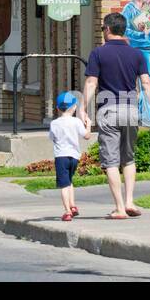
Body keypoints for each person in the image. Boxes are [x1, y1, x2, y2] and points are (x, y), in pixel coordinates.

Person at [84, 13, 150, 220]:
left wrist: (82, 108)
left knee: (110, 161)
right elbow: (146, 84)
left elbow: (91, 83)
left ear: (107, 29)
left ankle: (119, 208)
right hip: (131, 111)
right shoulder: (137, 55)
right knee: (128, 158)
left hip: (109, 111)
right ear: (124, 30)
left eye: (102, 29)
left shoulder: (98, 53)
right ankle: (129, 202)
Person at [121, 0, 150, 126]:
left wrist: (149, 10)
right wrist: (141, 34)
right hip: (142, 49)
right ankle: (146, 117)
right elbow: (124, 30)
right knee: (146, 83)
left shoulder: (145, 7)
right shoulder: (129, 8)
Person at [49, 91, 91, 223]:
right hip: (74, 157)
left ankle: (67, 211)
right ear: (74, 107)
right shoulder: (76, 122)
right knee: (69, 181)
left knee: (63, 185)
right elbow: (87, 136)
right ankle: (73, 205)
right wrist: (88, 124)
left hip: (61, 156)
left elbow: (52, 138)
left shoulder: (54, 123)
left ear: (57, 108)